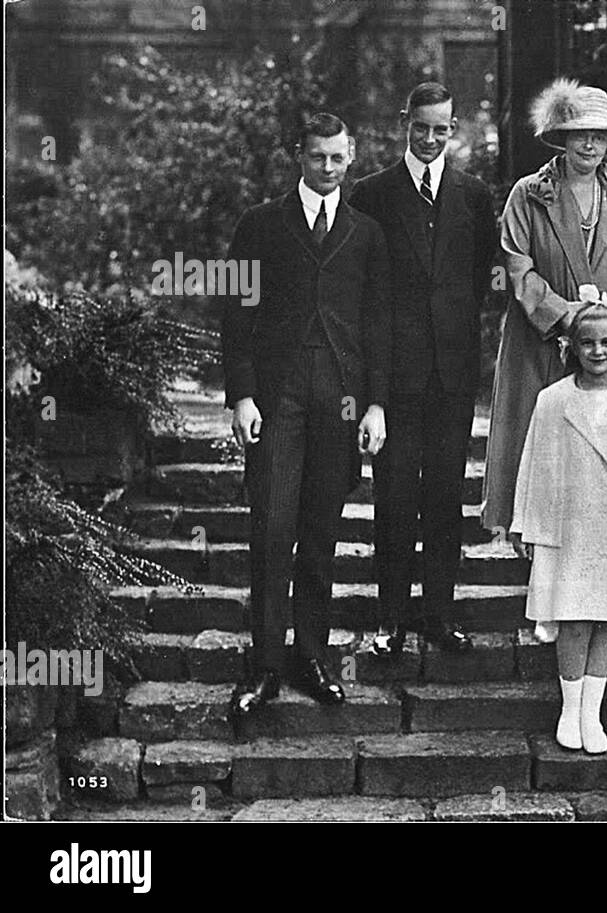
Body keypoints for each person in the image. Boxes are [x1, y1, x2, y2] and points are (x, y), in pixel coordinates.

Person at [223, 113, 391, 718]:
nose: (327, 168)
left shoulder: (365, 232)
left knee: (320, 533)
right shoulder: (261, 225)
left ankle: (312, 656)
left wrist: (375, 403)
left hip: (340, 397)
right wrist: (242, 395)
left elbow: (378, 321)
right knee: (272, 526)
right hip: (277, 394)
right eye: (317, 157)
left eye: (338, 159)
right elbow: (237, 315)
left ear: (351, 158)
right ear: (299, 155)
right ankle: (266, 665)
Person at [481, 78, 607, 589]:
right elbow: (517, 268)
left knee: (605, 463)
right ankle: (544, 584)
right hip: (542, 345)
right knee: (544, 457)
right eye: (579, 134)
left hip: (604, 350)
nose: (590, 145)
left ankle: (603, 586)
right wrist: (566, 315)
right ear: (560, 137)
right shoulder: (528, 195)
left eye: (600, 135)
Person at [349, 82, 497, 655]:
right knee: (393, 496)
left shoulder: (473, 195)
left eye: (442, 129)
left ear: (453, 128)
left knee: (443, 496)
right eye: (421, 127)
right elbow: (359, 283)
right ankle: (389, 621)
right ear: (403, 122)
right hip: (393, 373)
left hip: (452, 374)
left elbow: (479, 273)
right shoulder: (372, 193)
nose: (431, 139)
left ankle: (439, 614)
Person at [509, 304, 607, 754]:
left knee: (605, 621)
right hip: (569, 524)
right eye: (588, 343)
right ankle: (570, 711)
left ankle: (593, 712)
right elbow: (534, 462)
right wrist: (524, 524)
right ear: (571, 347)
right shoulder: (553, 399)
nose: (597, 351)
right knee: (572, 618)